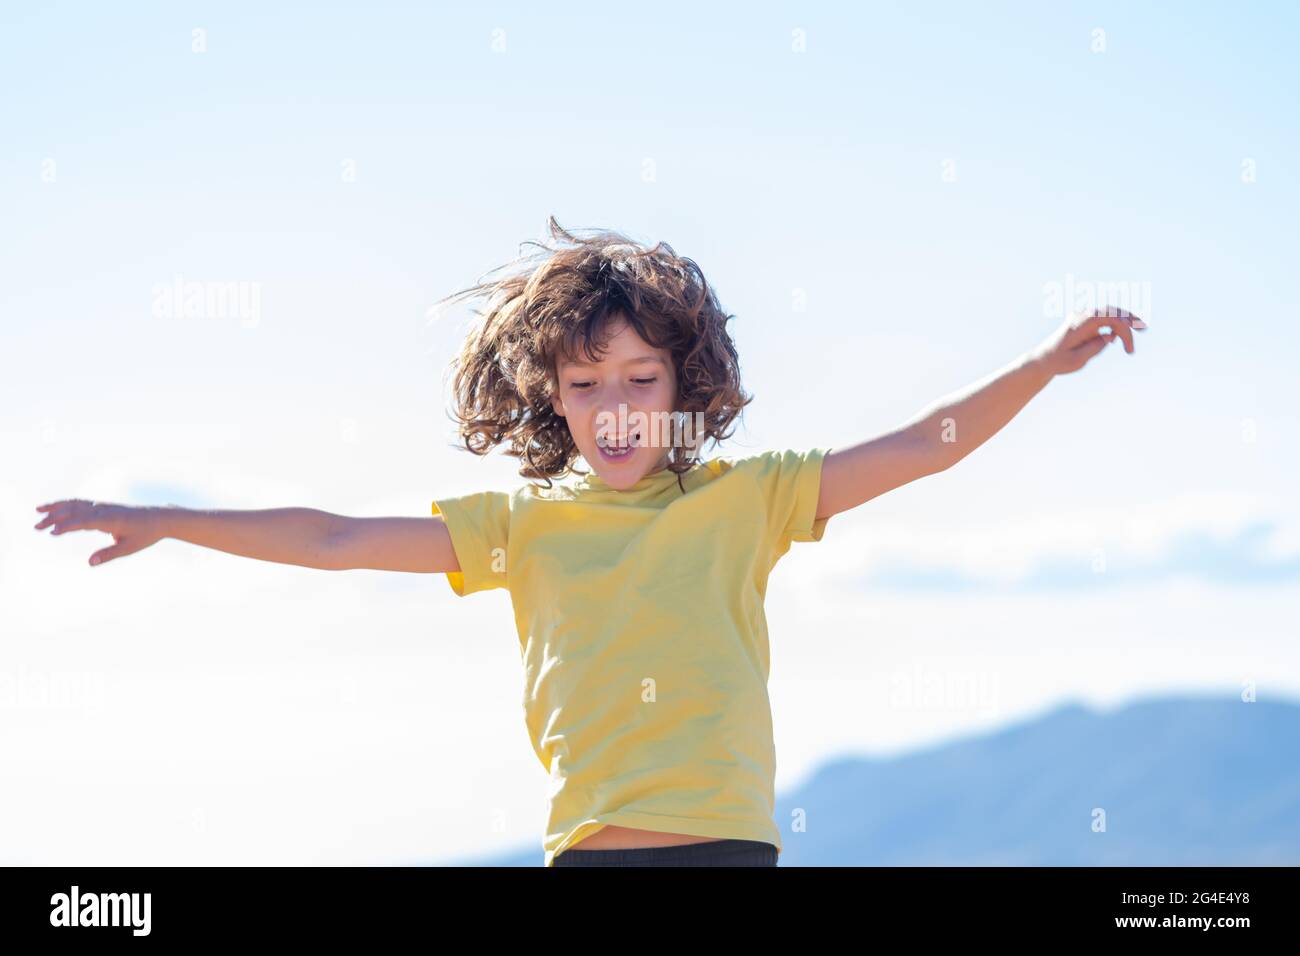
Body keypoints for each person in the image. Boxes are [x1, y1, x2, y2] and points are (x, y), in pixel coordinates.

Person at [33, 216, 1144, 867]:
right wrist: (166, 518)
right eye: (585, 382)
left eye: (641, 378)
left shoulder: (747, 498)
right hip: (587, 848)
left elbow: (922, 444)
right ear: (550, 397)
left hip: (721, 844)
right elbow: (330, 536)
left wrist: (1041, 366)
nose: (614, 405)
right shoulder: (521, 527)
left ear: (685, 384)